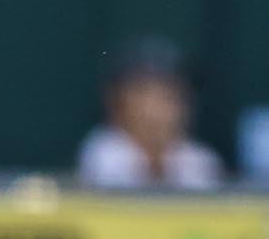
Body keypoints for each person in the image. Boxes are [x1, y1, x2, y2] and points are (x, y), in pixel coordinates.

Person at [76, 41, 224, 191]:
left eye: (172, 94)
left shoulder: (199, 159)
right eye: (146, 93)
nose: (159, 107)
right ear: (117, 101)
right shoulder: (103, 152)